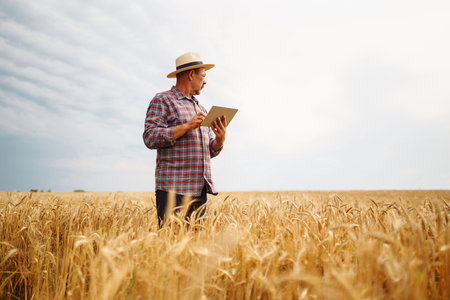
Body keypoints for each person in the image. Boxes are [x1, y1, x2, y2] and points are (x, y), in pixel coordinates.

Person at [143, 52, 227, 227]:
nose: (205, 81)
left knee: (195, 247)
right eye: (203, 76)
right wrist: (186, 126)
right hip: (173, 190)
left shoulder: (201, 108)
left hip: (199, 190)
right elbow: (149, 137)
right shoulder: (163, 100)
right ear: (191, 75)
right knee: (170, 242)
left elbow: (209, 150)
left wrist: (219, 140)